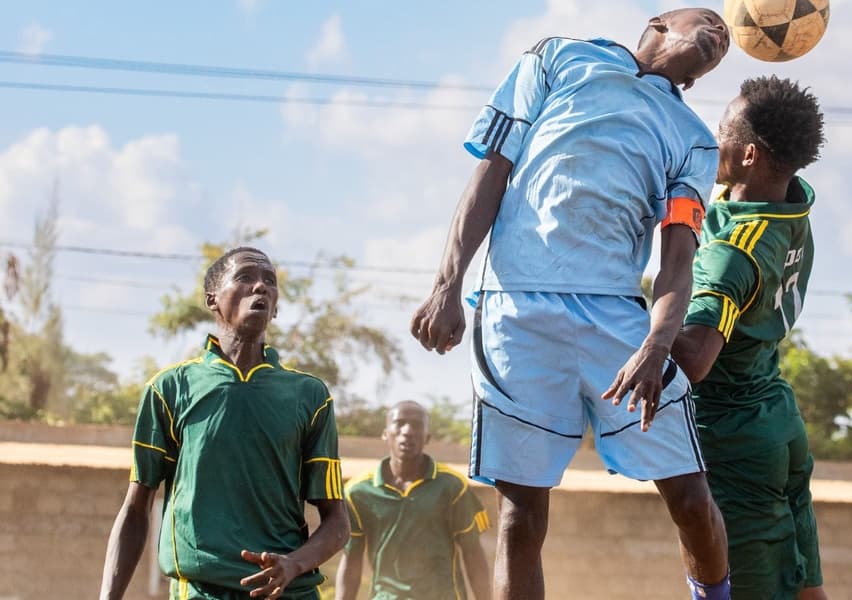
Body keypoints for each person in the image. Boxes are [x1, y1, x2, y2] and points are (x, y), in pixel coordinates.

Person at [410, 8, 732, 600]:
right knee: (520, 516)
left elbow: (678, 259)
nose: (722, 35)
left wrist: (656, 344)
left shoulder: (693, 139)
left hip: (618, 320)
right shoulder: (559, 58)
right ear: (659, 22)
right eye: (710, 20)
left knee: (689, 495)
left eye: (728, 41)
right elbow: (491, 170)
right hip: (515, 312)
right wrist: (446, 285)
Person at [99, 247, 350, 600]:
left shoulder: (309, 395)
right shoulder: (169, 389)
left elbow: (337, 523)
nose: (260, 287)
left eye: (270, 282)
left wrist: (293, 564)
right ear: (212, 300)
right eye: (245, 277)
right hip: (201, 591)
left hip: (288, 592)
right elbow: (136, 508)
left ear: (276, 307)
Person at [670, 76, 829, 600]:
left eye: (723, 131)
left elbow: (693, 358)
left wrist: (632, 323)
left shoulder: (731, 252)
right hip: (778, 419)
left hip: (734, 440)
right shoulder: (793, 210)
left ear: (749, 154)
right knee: (805, 588)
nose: (712, 138)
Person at [336, 401, 491, 600]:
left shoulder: (453, 487)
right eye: (399, 423)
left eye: (417, 425)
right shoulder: (357, 492)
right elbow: (351, 562)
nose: (407, 431)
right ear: (385, 434)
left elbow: (473, 555)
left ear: (427, 437)